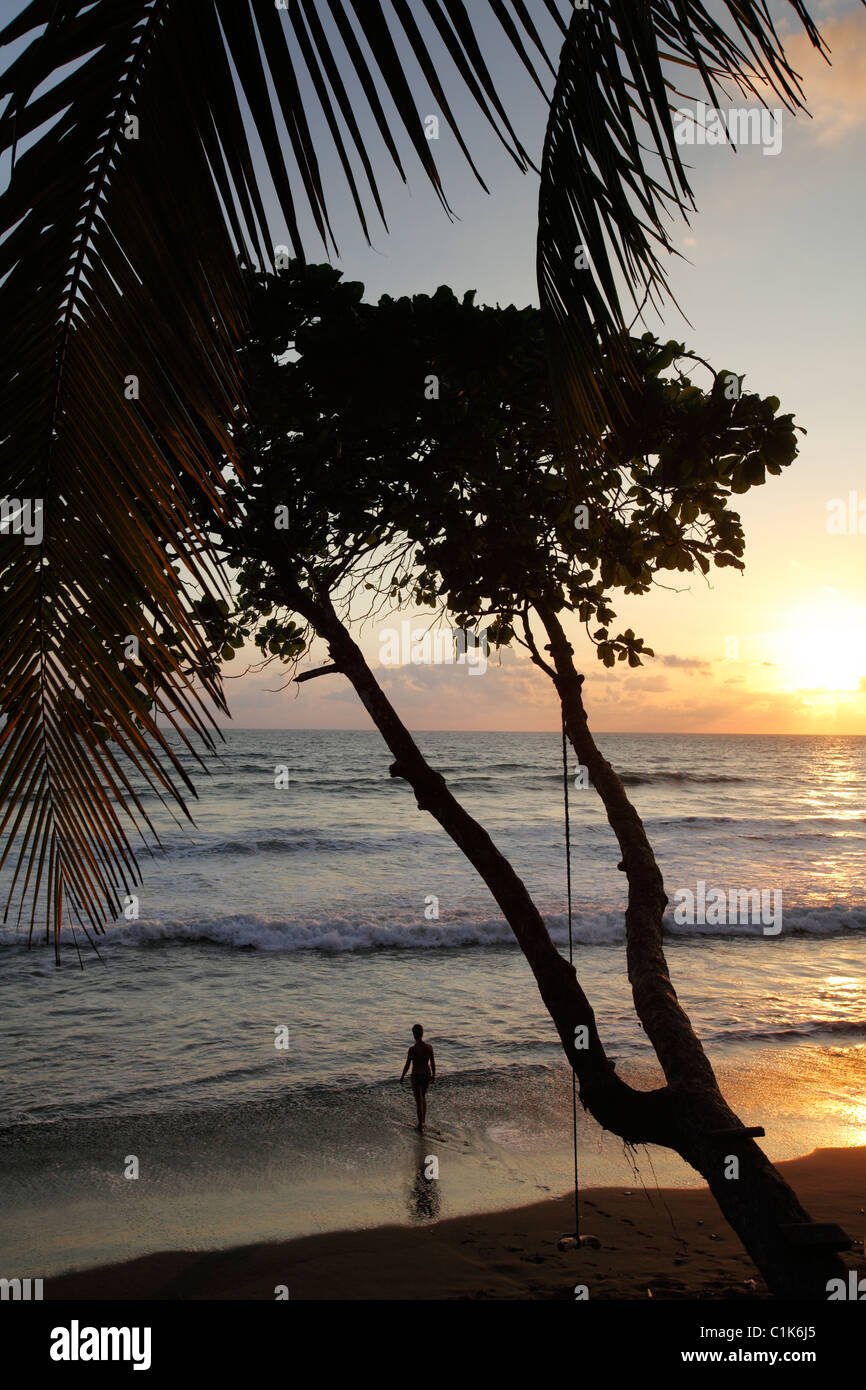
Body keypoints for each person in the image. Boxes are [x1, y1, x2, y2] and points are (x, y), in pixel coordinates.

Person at [400, 1023, 435, 1132]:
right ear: (422, 1033)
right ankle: (423, 1122)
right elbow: (433, 1064)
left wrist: (402, 1076)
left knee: (418, 1100)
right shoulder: (429, 1047)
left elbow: (407, 1065)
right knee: (423, 1098)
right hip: (426, 1075)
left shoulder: (412, 1049)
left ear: (414, 1035)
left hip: (416, 1076)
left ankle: (420, 1124)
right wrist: (434, 1074)